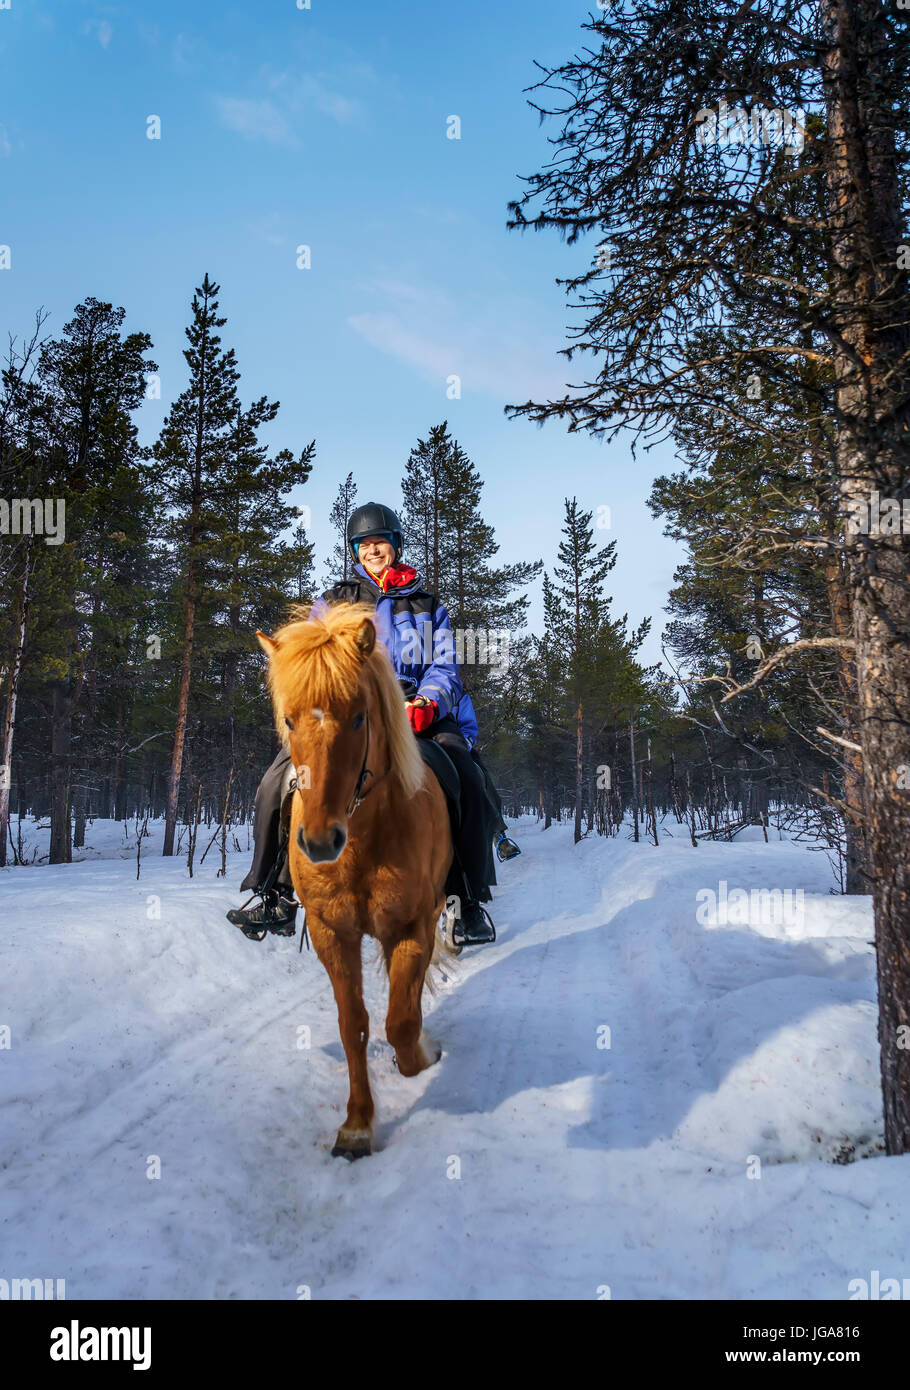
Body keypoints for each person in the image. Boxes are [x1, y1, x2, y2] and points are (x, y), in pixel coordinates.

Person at [227, 502, 506, 947]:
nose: (372, 550)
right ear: (355, 550)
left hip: (417, 713)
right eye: (363, 543)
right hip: (346, 716)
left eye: (379, 541)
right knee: (276, 782)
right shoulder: (335, 601)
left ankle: (467, 898)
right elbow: (309, 660)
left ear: (395, 545)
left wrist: (428, 702)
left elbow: (447, 664)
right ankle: (273, 892)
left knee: (465, 774)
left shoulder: (426, 604)